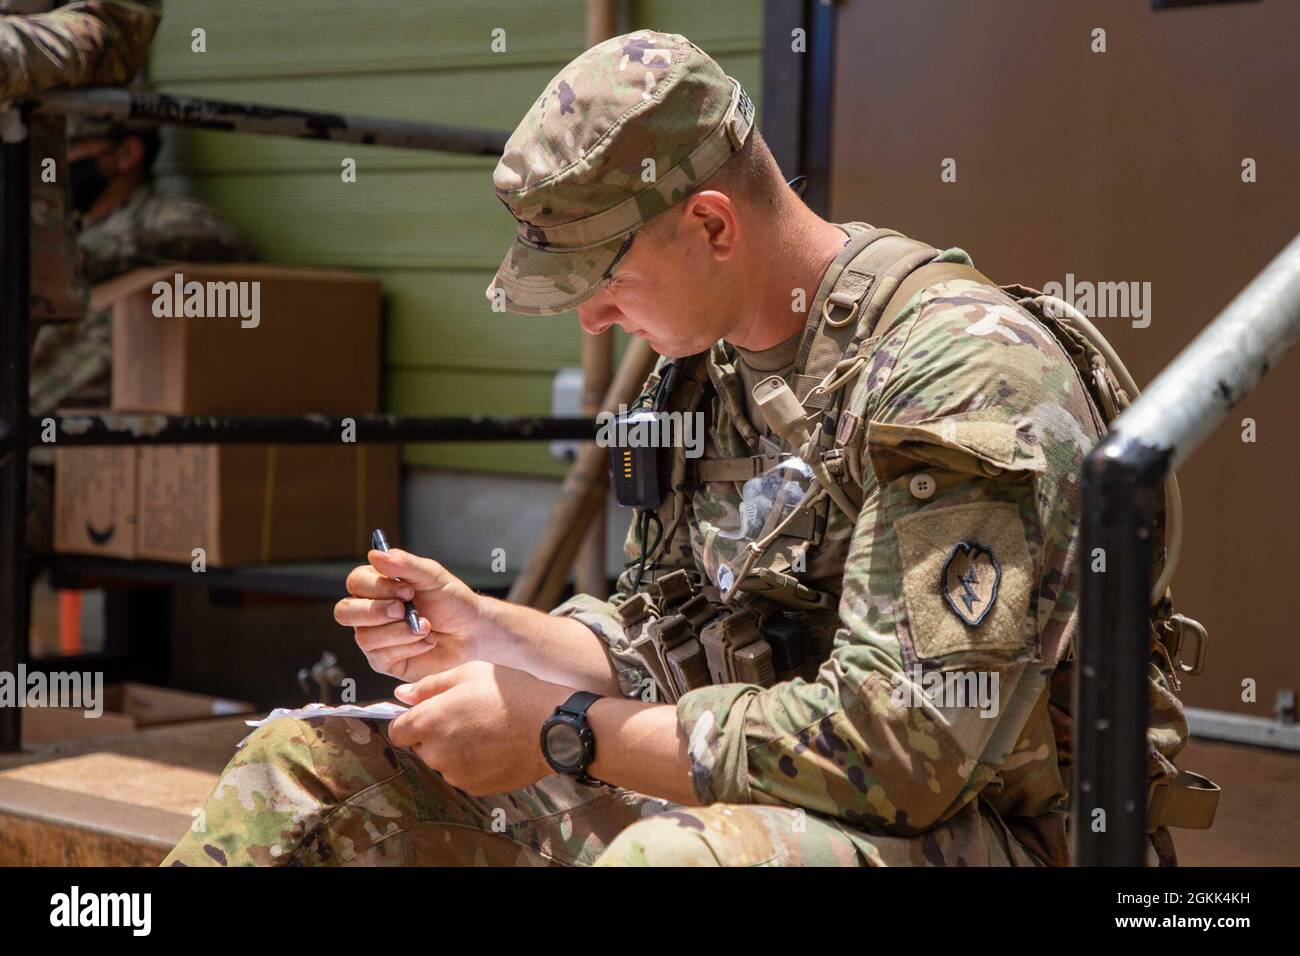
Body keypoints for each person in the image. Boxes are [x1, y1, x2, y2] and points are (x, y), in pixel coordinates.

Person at [164, 30, 1188, 867]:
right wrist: (490, 631)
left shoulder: (966, 377)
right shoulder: (701, 369)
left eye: (603, 277)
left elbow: (901, 750)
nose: (595, 317)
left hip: (989, 834)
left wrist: (561, 728)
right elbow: (671, 630)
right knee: (314, 762)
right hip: (770, 790)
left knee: (670, 862)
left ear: (710, 224)